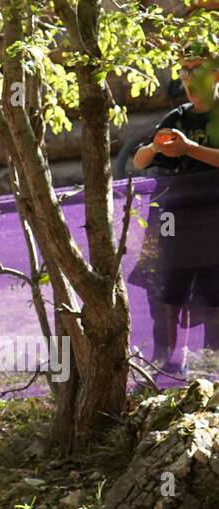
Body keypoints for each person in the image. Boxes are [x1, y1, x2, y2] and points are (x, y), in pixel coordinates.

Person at [130, 42, 219, 377]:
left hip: (215, 218)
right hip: (176, 219)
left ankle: (213, 364)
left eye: (195, 70)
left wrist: (190, 149)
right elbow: (140, 161)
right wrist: (154, 147)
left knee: (214, 293)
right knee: (170, 289)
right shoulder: (177, 117)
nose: (187, 78)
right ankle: (169, 362)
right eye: (183, 71)